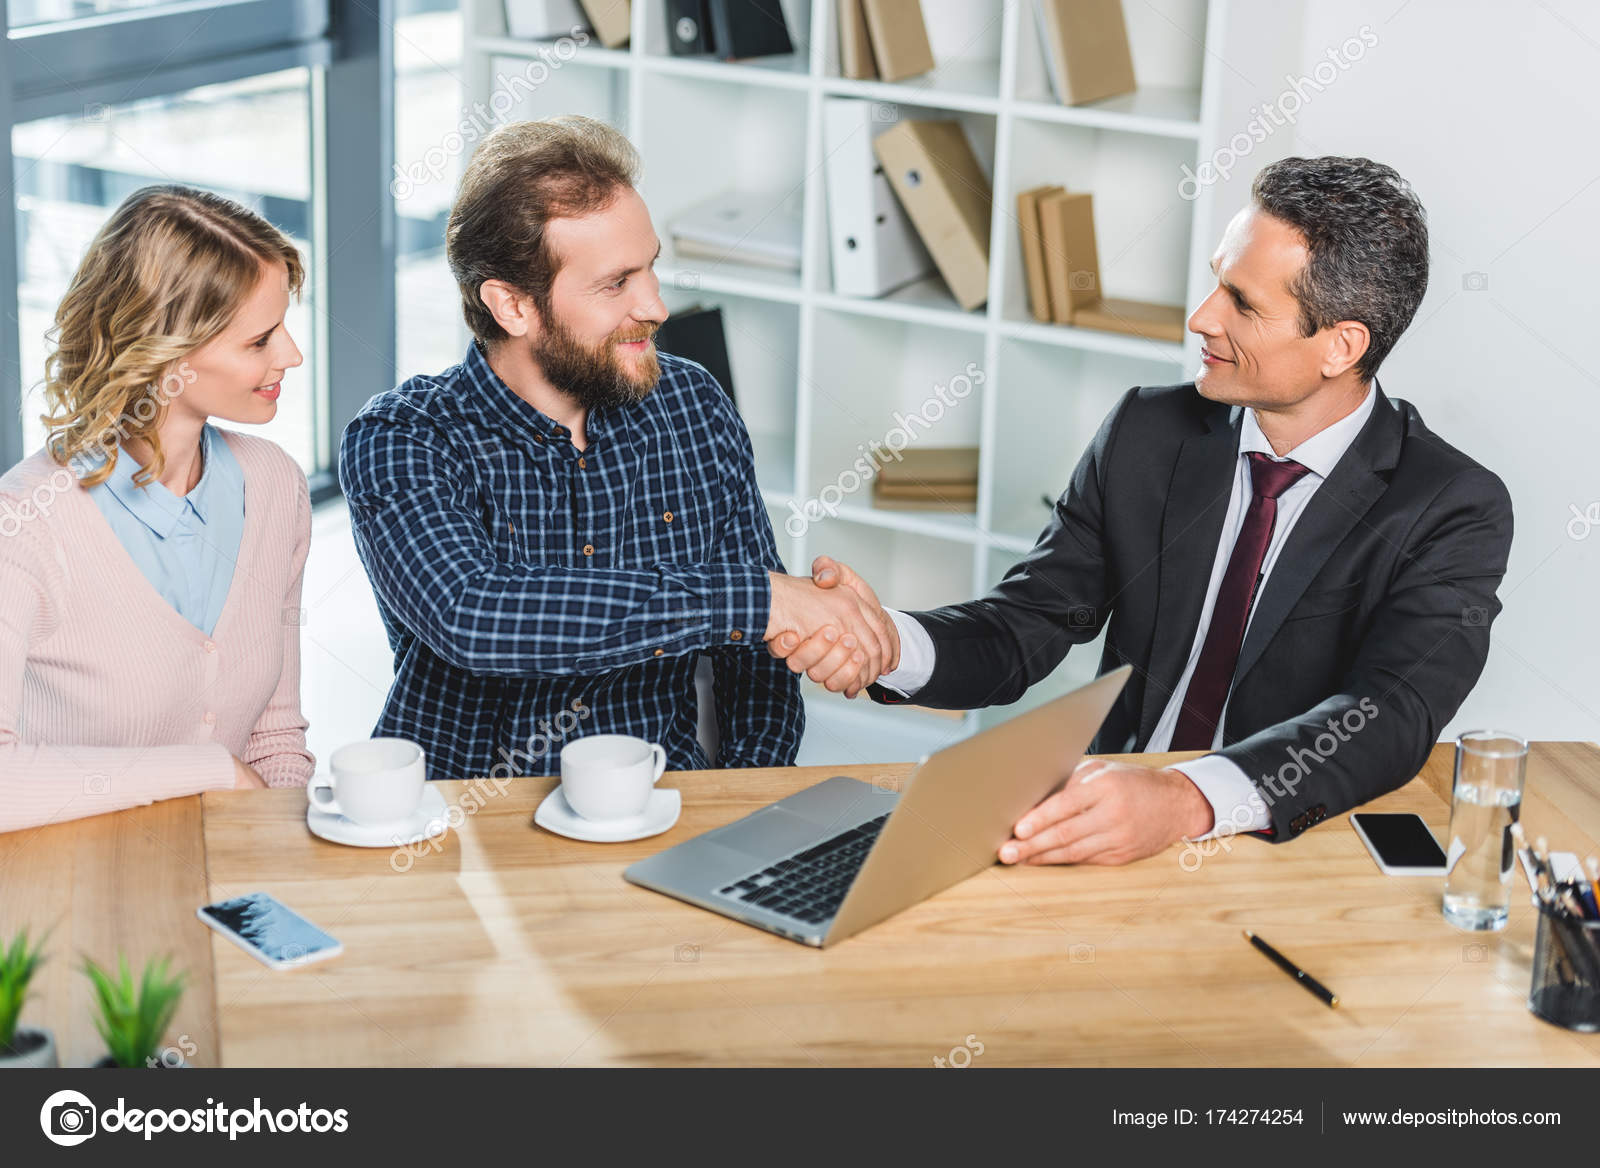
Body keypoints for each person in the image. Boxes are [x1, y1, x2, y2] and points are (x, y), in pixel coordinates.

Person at [771, 156, 1514, 865]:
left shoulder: (1450, 507)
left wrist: (1184, 800)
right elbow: (1027, 624)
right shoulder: (1148, 432)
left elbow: (1385, 714)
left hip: (1285, 846)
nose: (1201, 318)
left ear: (1341, 347)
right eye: (1217, 282)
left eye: (1243, 304)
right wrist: (887, 642)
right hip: (1109, 825)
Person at [339, 115, 890, 781]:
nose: (655, 306)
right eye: (616, 283)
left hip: (664, 806)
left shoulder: (692, 403)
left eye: (650, 267)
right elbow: (474, 615)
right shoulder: (403, 438)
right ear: (512, 306)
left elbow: (757, 662)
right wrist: (757, 599)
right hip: (461, 823)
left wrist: (742, 794)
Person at [0, 185, 316, 834]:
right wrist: (206, 770)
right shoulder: (25, 525)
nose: (291, 355)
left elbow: (276, 739)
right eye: (259, 340)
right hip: (73, 888)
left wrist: (279, 863)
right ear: (166, 352)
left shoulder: (275, 485)